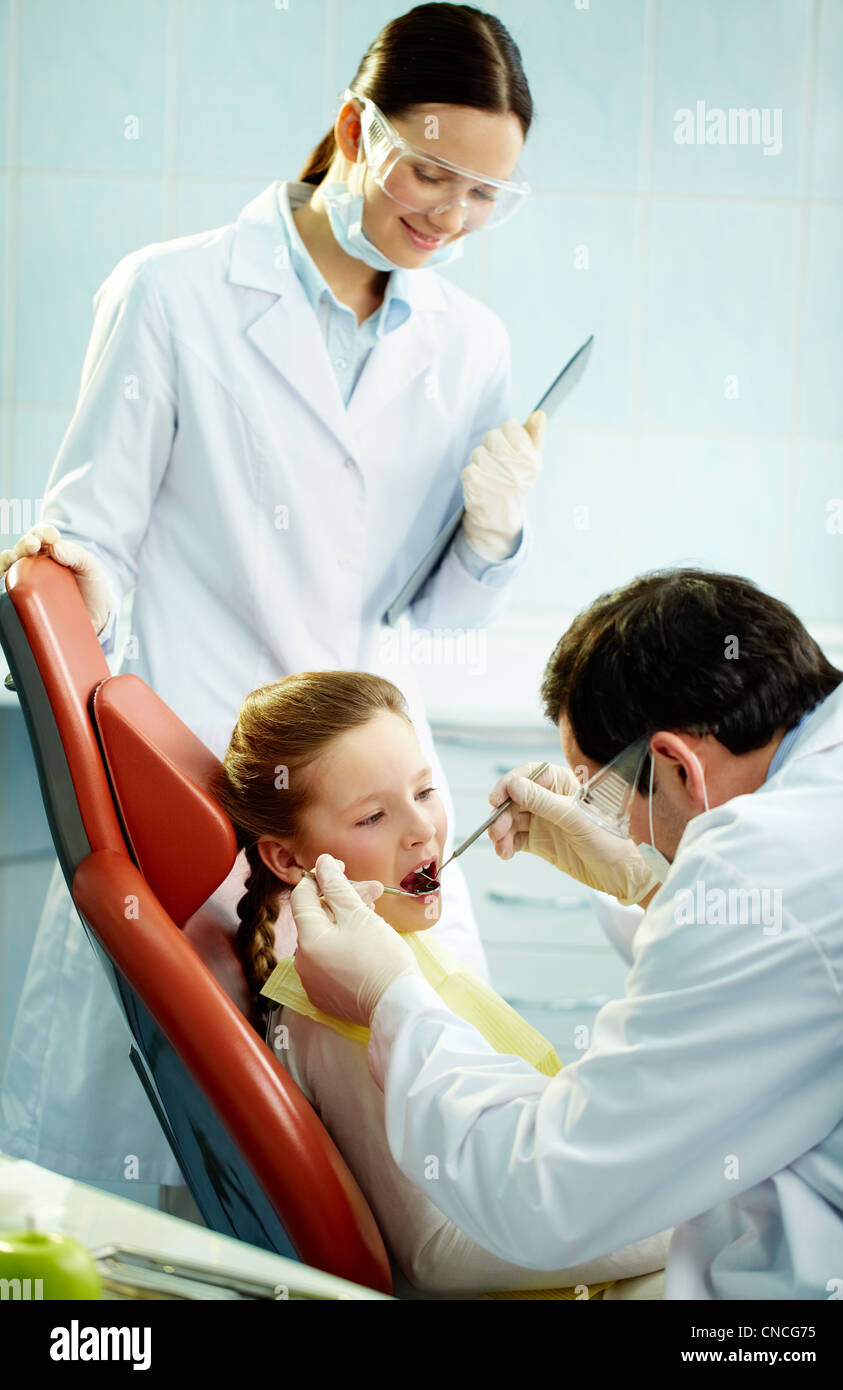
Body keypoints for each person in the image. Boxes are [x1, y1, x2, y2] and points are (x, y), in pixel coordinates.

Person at [0, 4, 546, 1207]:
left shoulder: (472, 347)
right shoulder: (173, 293)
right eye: (431, 171)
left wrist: (494, 533)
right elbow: (87, 549)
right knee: (149, 1196)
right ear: (357, 126)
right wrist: (65, 570)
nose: (448, 216)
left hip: (369, 807)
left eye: (484, 196)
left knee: (393, 1191)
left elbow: (429, 619)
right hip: (196, 791)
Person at [288, 567, 843, 1300]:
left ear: (675, 763)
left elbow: (545, 1189)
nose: (418, 829)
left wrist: (391, 1000)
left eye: (602, 793)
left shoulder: (765, 871)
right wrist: (651, 886)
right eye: (372, 816)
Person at [215, 667, 672, 1298]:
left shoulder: (406, 949)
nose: (422, 828)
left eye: (425, 790)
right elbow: (441, 1251)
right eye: (373, 815)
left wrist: (645, 880)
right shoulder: (334, 1003)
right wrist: (698, 1212)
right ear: (289, 859)